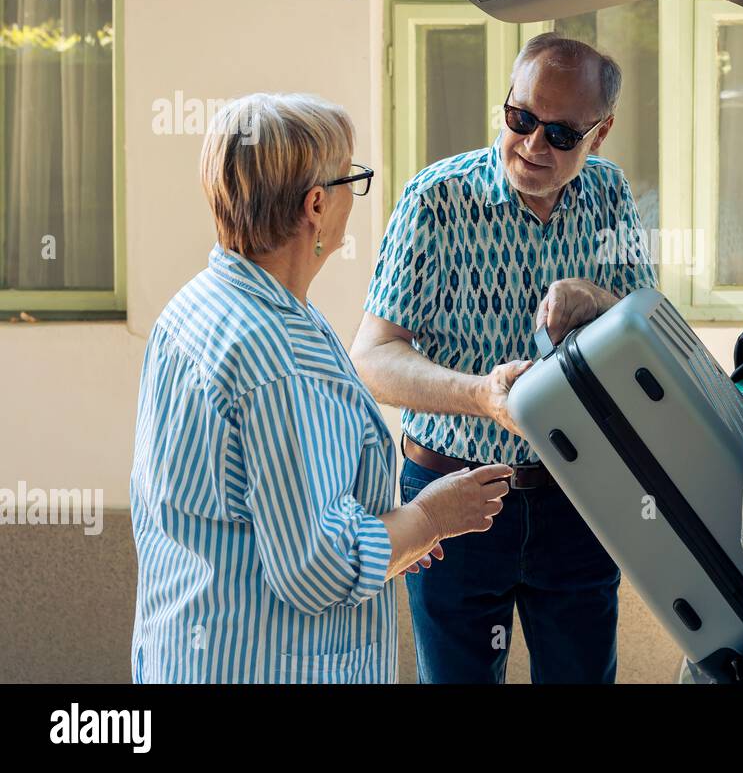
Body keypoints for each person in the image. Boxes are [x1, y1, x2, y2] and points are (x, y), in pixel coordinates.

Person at [130, 92, 513, 683]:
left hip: (188, 650)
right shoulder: (279, 359)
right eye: (352, 180)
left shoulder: (199, 308)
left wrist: (399, 534)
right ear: (316, 204)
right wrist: (435, 515)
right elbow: (317, 568)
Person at [352, 35, 657, 683]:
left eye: (560, 134)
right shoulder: (435, 200)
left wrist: (596, 298)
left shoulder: (608, 194)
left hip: (579, 496)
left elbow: (647, 328)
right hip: (452, 493)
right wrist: (482, 396)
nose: (532, 145)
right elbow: (373, 360)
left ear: (599, 135)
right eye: (520, 118)